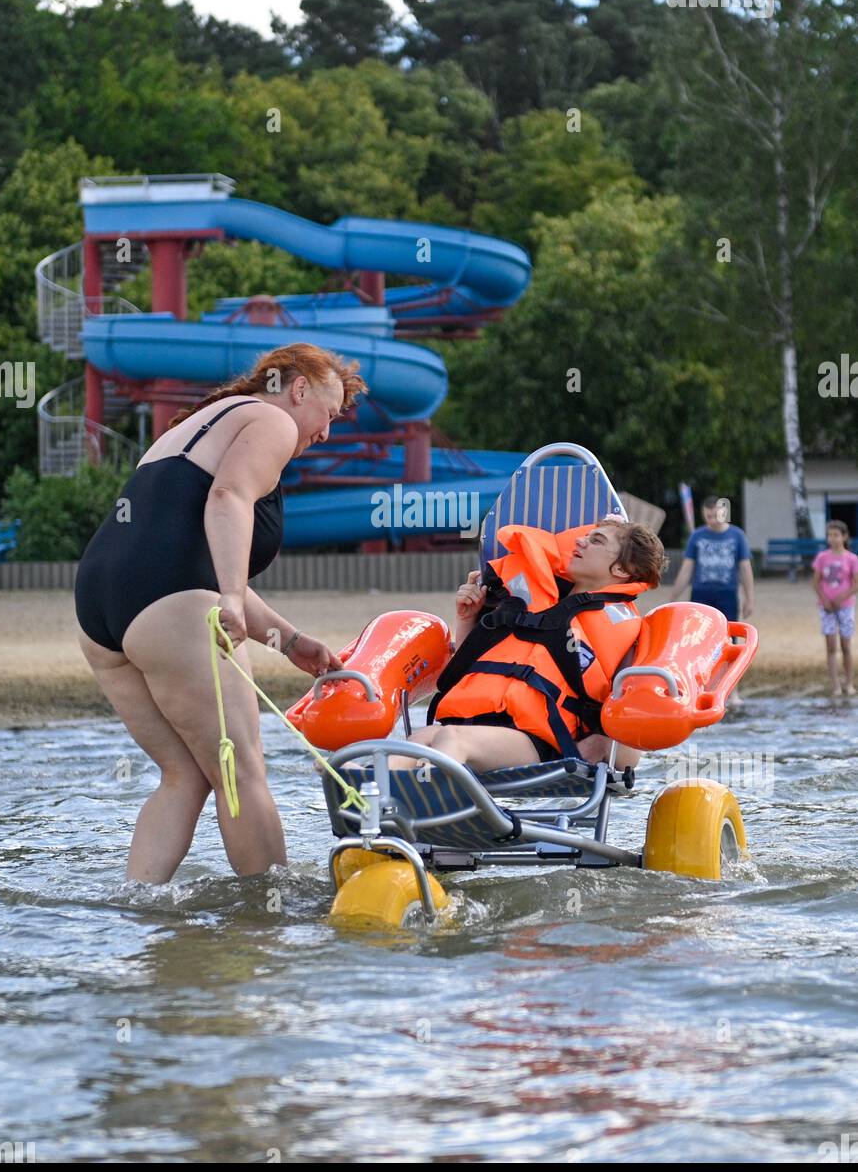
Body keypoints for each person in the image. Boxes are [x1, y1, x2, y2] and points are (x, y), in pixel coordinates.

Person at [75, 343, 365, 884]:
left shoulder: (192, 428)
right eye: (328, 415)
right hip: (170, 605)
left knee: (185, 773)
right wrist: (230, 597)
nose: (325, 433)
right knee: (242, 769)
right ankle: (267, 921)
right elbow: (227, 500)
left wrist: (289, 640)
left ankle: (139, 907)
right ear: (298, 389)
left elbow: (183, 557)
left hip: (101, 604)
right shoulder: (272, 421)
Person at [388, 515, 665, 774]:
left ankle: (431, 809)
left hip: (540, 742)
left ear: (622, 569)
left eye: (596, 541)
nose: (580, 540)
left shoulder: (623, 631)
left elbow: (627, 754)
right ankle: (367, 802)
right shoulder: (524, 602)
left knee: (450, 738)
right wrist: (467, 619)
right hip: (472, 724)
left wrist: (599, 744)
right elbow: (466, 672)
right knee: (413, 742)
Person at [669, 495, 754, 707]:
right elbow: (687, 569)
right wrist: (673, 599)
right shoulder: (697, 537)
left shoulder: (737, 536)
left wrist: (749, 597)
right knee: (698, 643)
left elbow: (745, 568)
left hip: (727, 595)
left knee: (730, 644)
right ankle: (699, 690)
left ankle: (732, 692)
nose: (712, 519)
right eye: (708, 516)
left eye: (715, 514)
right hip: (700, 596)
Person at [811, 520, 858, 698]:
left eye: (836, 535)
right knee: (831, 646)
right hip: (826, 608)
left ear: (845, 537)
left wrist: (842, 597)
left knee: (846, 645)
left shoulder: (851, 558)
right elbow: (816, 582)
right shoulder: (822, 557)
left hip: (845, 607)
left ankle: (849, 682)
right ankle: (836, 685)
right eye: (829, 535)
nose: (832, 538)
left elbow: (855, 583)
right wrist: (825, 600)